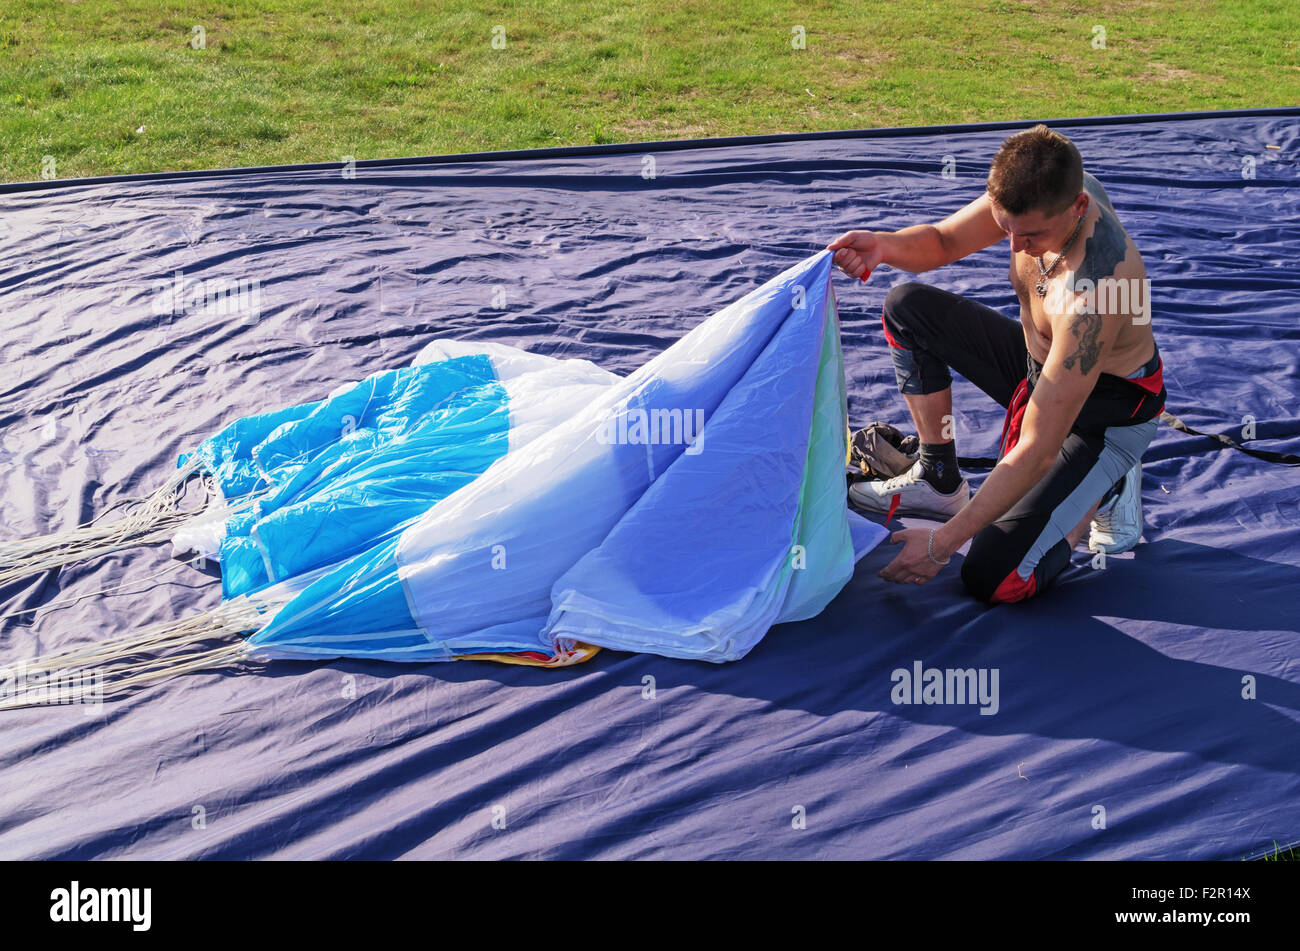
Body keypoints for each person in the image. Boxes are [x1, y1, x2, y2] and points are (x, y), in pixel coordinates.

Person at [827, 124, 1166, 603]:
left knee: (993, 577)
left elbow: (1039, 447)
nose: (1015, 246)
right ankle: (938, 475)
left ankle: (1100, 490)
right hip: (1040, 369)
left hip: (1103, 414)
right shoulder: (1036, 195)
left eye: (1031, 235)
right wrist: (883, 245)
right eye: (1006, 228)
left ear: (1079, 208)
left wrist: (940, 546)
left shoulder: (1096, 290)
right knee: (907, 309)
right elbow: (944, 242)